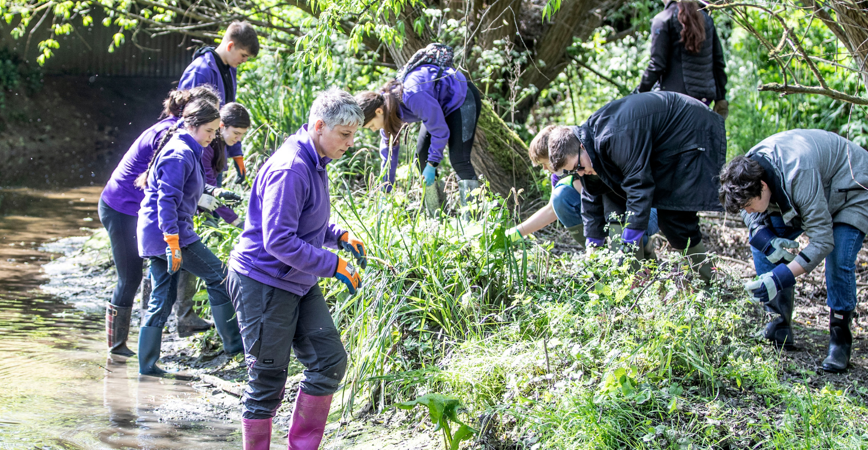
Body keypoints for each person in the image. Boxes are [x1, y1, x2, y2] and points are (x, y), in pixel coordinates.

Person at [227, 89, 366, 450]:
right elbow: (279, 241)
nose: (350, 143)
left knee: (329, 362)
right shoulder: (291, 167)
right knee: (267, 381)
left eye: (354, 135)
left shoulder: (315, 159)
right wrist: (333, 264)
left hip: (297, 281)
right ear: (319, 126)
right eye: (345, 134)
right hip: (263, 281)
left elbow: (304, 221)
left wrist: (338, 236)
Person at [720, 129, 868, 373]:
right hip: (818, 189)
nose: (749, 210)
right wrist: (770, 244)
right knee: (761, 241)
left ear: (763, 186)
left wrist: (780, 278)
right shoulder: (747, 174)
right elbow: (751, 215)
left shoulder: (799, 174)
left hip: (855, 186)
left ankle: (840, 340)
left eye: (749, 205)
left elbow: (822, 241)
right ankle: (777, 324)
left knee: (839, 258)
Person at [529, 91, 726, 281]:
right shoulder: (588, 145)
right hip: (664, 142)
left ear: (581, 146)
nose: (580, 173)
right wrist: (593, 243)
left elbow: (639, 187)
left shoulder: (614, 138)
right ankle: (641, 276)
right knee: (613, 204)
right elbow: (592, 194)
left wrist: (629, 242)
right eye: (574, 171)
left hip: (692, 131)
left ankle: (709, 280)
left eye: (578, 167)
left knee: (674, 217)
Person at [134, 86, 242, 376]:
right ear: (192, 125)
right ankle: (235, 347)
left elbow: (190, 186)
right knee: (218, 275)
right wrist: (172, 243)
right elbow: (165, 201)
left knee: (163, 297)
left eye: (215, 131)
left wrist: (218, 191)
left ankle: (147, 367)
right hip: (168, 234)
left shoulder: (190, 148)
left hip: (164, 233)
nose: (212, 137)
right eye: (208, 131)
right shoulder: (180, 154)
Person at [98, 89, 198, 357]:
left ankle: (138, 339)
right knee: (130, 276)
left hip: (137, 210)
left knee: (143, 273)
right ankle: (117, 348)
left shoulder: (175, 132)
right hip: (120, 208)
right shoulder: (167, 136)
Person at [355, 50, 482, 210]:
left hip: (460, 98)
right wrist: (385, 190)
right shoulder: (387, 112)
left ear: (378, 111)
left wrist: (433, 163)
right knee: (421, 156)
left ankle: (472, 220)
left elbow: (440, 131)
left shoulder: (412, 95)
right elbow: (388, 154)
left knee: (459, 160)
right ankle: (438, 214)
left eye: (372, 126)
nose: (374, 130)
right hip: (437, 108)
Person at [173, 102, 252, 339]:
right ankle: (193, 321)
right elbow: (203, 190)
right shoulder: (202, 147)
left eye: (242, 136)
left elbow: (211, 188)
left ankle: (186, 317)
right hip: (183, 217)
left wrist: (238, 162)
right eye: (235, 134)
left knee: (193, 266)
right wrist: (237, 221)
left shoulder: (215, 142)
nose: (237, 139)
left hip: (191, 214)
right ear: (220, 127)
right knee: (203, 268)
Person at [177, 21, 260, 185]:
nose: (244, 60)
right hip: (198, 157)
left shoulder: (230, 69)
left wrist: (236, 152)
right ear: (230, 46)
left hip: (217, 155)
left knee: (216, 206)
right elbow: (184, 119)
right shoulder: (200, 71)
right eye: (243, 55)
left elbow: (230, 116)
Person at [505, 170, 661, 254]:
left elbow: (599, 201)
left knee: (617, 225)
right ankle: (602, 258)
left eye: (544, 163)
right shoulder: (557, 175)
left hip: (640, 214)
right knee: (562, 198)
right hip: (609, 218)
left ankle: (641, 248)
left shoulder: (587, 165)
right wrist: (516, 233)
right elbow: (552, 209)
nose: (545, 168)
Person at [638, 0, 729, 118]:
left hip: (673, 101)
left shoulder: (663, 19)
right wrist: (721, 98)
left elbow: (657, 65)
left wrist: (637, 94)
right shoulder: (706, 19)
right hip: (703, 100)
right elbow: (718, 63)